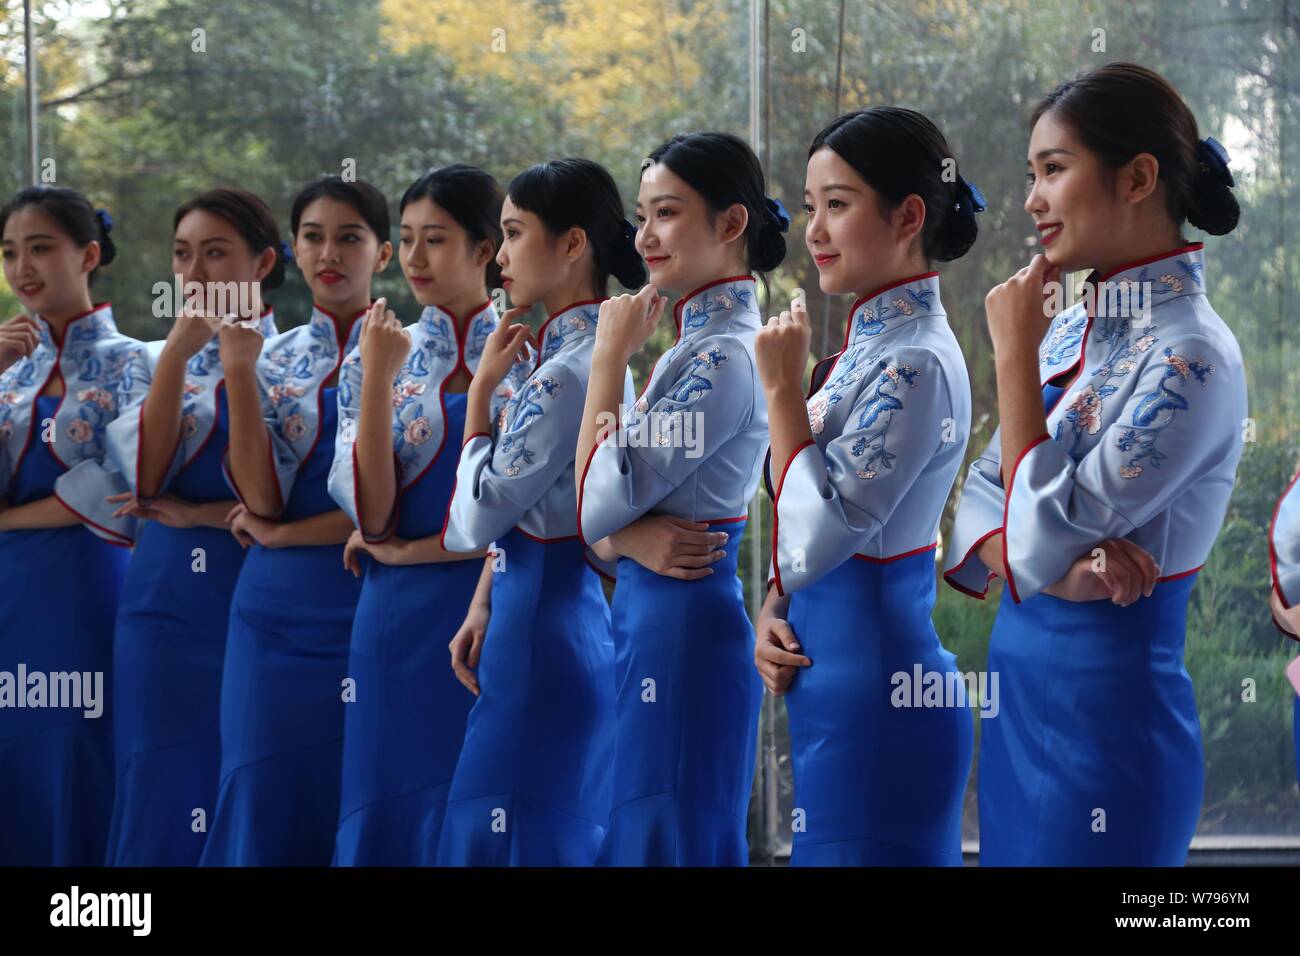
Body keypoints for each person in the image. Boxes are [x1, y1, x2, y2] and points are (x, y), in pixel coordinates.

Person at [943, 62, 1246, 865]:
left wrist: (1011, 358)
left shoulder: (1193, 353)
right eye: (1031, 174)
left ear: (1139, 176)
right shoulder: (1080, 327)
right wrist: (1037, 558)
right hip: (1021, 699)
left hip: (1110, 722)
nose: (1032, 199)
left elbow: (1038, 527)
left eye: (1053, 170)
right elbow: (982, 492)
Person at [755, 107, 982, 865]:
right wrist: (774, 606)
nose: (814, 229)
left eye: (839, 205)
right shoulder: (870, 345)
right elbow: (807, 522)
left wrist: (784, 393)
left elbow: (819, 535)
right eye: (812, 206)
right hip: (839, 686)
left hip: (882, 696)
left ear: (908, 214)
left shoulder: (913, 360)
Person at [437, 158, 642, 866]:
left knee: (504, 823)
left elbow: (477, 518)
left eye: (514, 233)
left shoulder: (565, 371)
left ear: (573, 244)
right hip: (555, 620)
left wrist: (477, 399)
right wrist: (487, 597)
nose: (498, 258)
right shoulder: (590, 358)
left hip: (541, 639)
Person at [0, 185, 140, 864]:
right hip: (9, 593)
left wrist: (8, 521)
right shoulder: (7, 370)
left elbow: (116, 490)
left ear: (88, 254)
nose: (23, 267)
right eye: (9, 252)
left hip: (83, 592)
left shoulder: (135, 363)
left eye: (41, 248)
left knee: (76, 742)